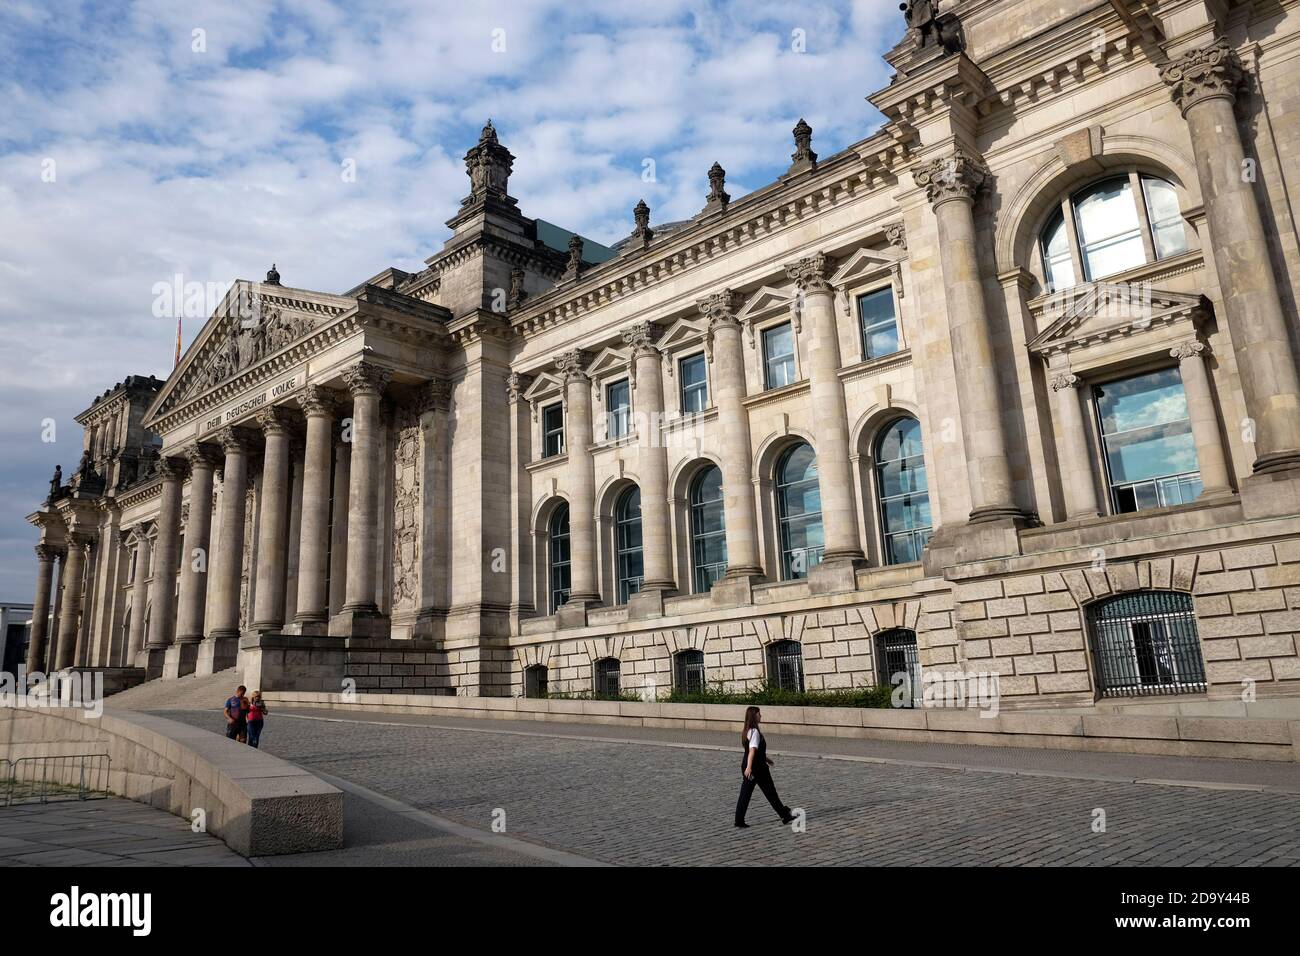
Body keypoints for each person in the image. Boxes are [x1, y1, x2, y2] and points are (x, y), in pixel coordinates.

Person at [734, 706, 795, 828]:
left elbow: (752, 751)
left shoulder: (747, 730)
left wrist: (766, 759)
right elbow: (752, 750)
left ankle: (739, 820)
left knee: (745, 794)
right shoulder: (755, 732)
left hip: (749, 765)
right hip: (757, 768)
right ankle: (784, 815)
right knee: (770, 792)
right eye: (759, 714)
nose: (760, 716)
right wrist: (750, 767)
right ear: (754, 716)